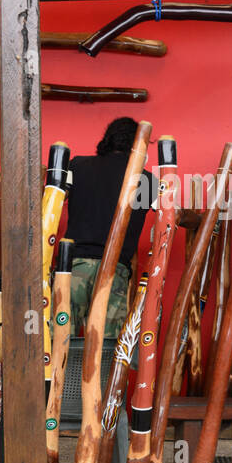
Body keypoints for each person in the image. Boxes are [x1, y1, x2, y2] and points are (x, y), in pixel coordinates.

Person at [66, 116, 157, 340]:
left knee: (59, 341)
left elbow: (51, 200)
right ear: (139, 145)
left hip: (72, 270)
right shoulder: (146, 181)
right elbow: (172, 215)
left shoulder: (77, 166)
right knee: (105, 349)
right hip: (114, 273)